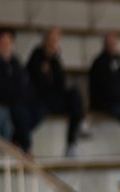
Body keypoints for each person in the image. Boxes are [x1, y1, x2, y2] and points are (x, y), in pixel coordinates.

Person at [26, 27, 87, 158]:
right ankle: (20, 141)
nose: (53, 43)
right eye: (51, 40)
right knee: (32, 116)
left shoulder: (56, 59)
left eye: (56, 40)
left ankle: (72, 144)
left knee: (75, 94)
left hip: (55, 98)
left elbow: (61, 82)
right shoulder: (37, 55)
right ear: (45, 40)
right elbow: (37, 81)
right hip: (40, 99)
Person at [0, 27, 43, 153]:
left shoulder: (15, 62)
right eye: (2, 42)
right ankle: (26, 148)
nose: (5, 45)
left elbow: (25, 83)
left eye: (8, 42)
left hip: (18, 99)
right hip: (2, 99)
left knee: (39, 109)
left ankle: (16, 139)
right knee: (20, 111)